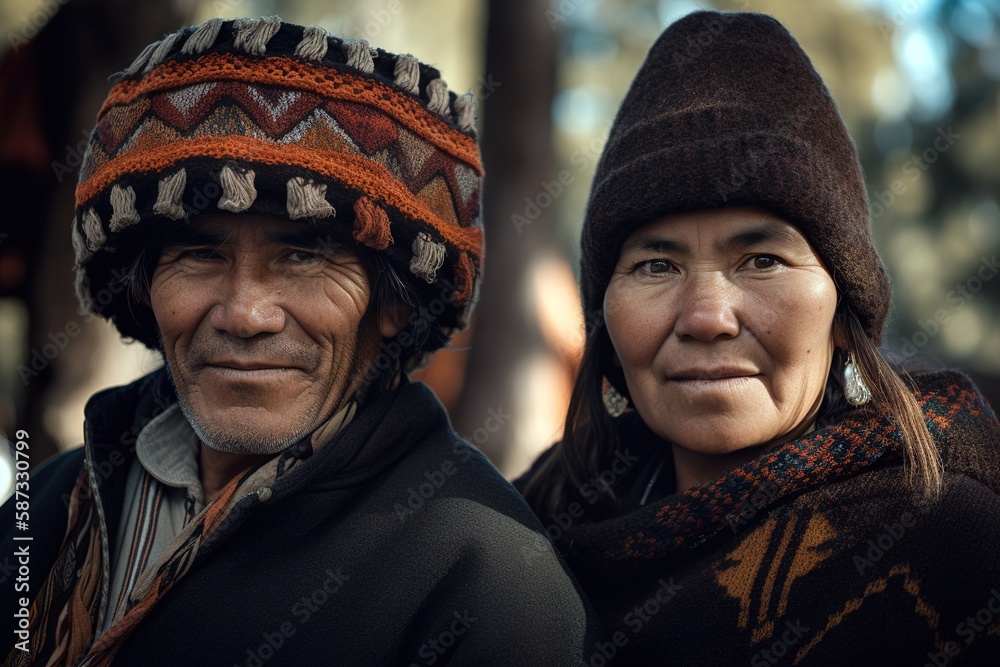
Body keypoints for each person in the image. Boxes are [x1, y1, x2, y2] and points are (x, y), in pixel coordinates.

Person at [0, 17, 596, 666]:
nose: (245, 313)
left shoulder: (489, 582)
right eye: (200, 253)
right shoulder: (50, 501)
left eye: (305, 257)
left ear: (394, 303)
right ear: (144, 286)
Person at [517, 11, 1000, 666]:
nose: (708, 316)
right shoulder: (528, 530)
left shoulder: (953, 547)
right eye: (656, 265)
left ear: (844, 308)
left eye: (762, 260)